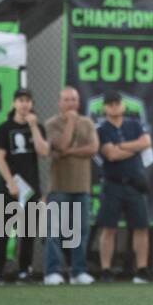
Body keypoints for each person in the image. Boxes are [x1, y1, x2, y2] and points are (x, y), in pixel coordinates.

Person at [0, 87, 49, 284]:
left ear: (31, 104)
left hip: (31, 187)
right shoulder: (4, 128)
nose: (24, 104)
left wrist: (33, 127)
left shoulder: (38, 127)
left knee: (28, 231)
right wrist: (9, 182)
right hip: (11, 187)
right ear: (14, 103)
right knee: (4, 230)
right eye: (20, 100)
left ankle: (24, 270)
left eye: (27, 100)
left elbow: (43, 152)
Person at [95, 91, 153, 284]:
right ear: (104, 107)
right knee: (109, 228)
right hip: (113, 183)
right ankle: (105, 269)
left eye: (117, 103)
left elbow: (146, 142)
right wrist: (133, 148)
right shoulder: (102, 129)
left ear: (123, 105)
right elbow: (110, 155)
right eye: (109, 104)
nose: (114, 107)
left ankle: (142, 269)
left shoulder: (134, 124)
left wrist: (122, 146)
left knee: (141, 227)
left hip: (134, 184)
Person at [43, 87, 98, 286]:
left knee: (81, 231)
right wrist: (72, 122)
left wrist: (69, 151)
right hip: (59, 186)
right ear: (59, 102)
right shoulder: (51, 124)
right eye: (67, 100)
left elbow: (93, 148)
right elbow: (61, 145)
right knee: (55, 232)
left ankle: (78, 271)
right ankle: (53, 272)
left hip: (82, 186)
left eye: (74, 99)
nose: (71, 103)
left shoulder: (88, 122)